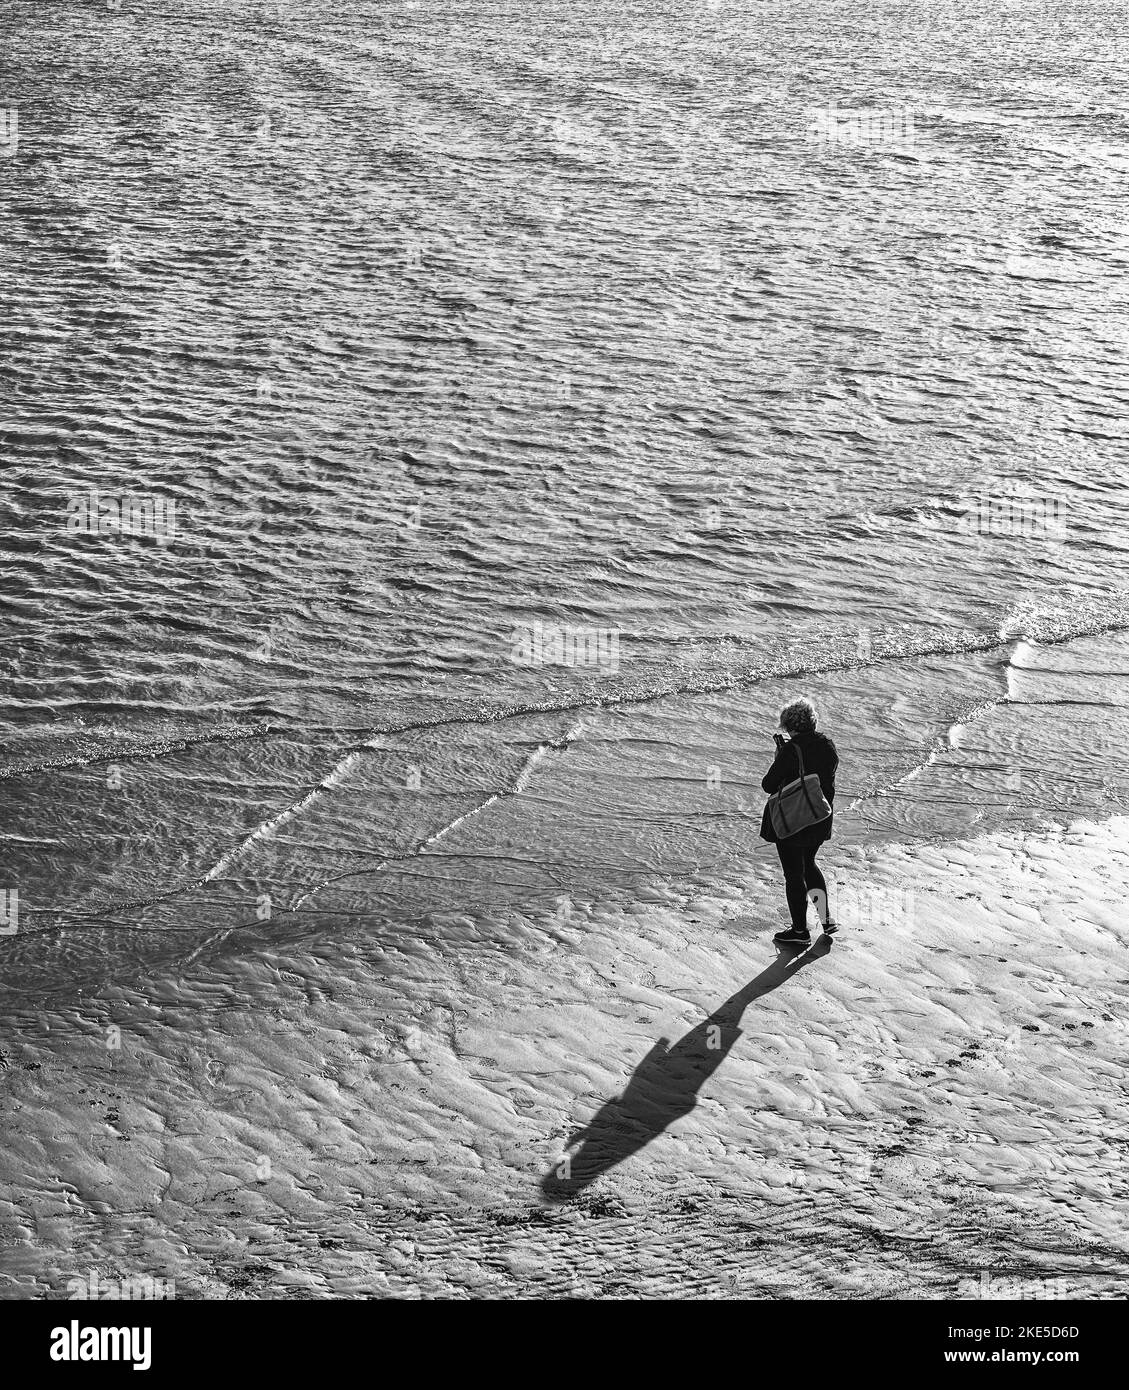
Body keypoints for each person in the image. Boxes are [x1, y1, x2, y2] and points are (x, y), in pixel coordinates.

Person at [760, 696, 839, 946]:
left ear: (789, 726)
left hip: (794, 819)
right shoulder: (828, 744)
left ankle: (799, 931)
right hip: (820, 815)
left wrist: (779, 757)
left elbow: (768, 785)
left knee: (794, 874)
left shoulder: (790, 751)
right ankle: (826, 920)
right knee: (810, 865)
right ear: (812, 721)